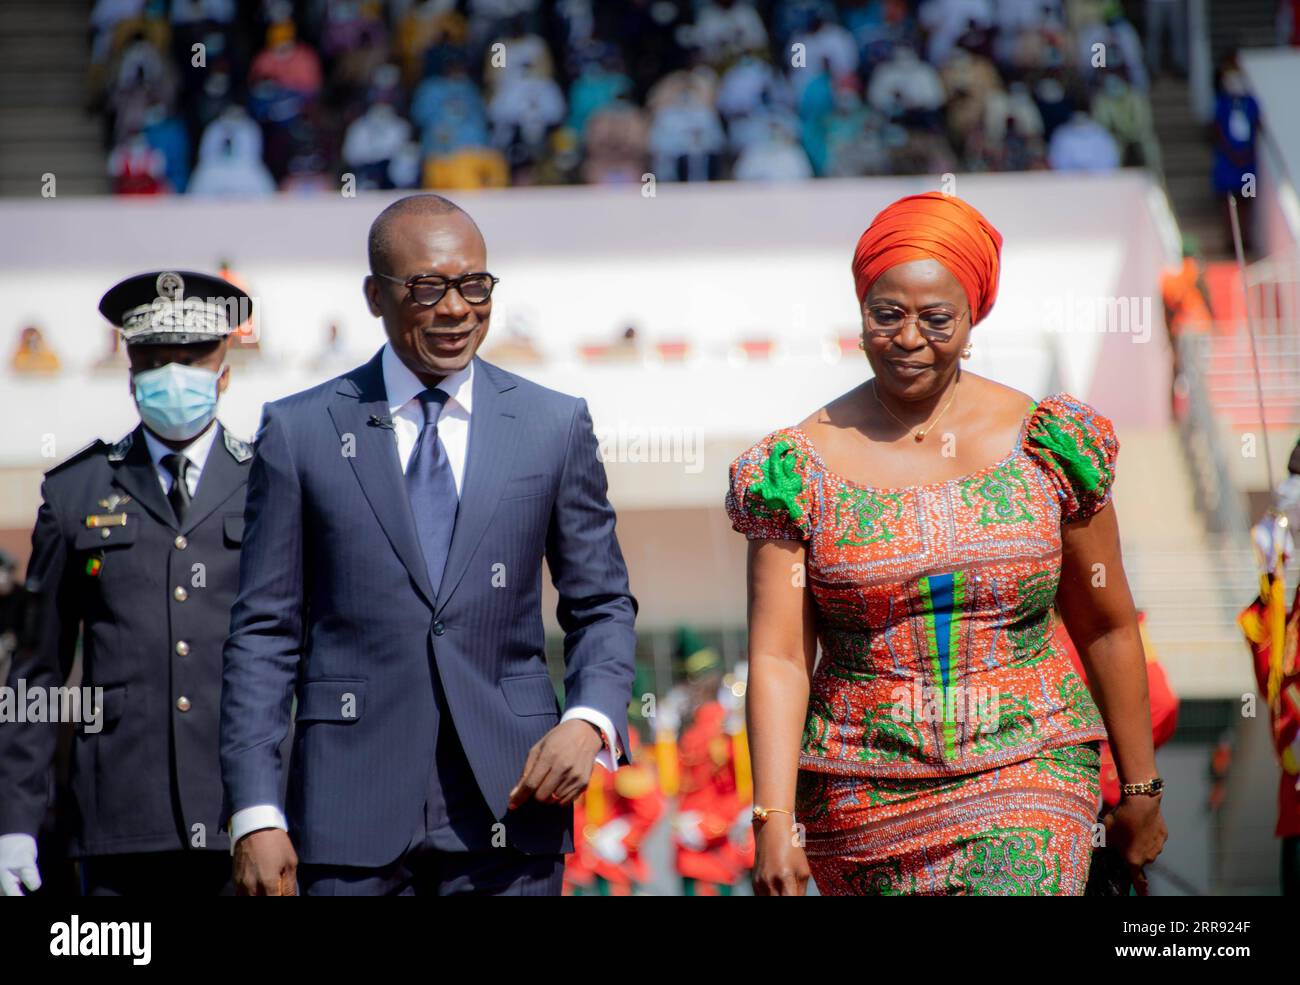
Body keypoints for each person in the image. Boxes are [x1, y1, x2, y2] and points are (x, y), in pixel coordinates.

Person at [726, 191, 1168, 895]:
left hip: (1029, 768)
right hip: (860, 793)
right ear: (861, 309)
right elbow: (779, 656)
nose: (908, 339)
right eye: (886, 314)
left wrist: (1141, 782)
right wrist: (772, 817)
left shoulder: (1049, 444)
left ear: (973, 317)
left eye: (936, 319)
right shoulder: (797, 469)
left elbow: (1107, 623)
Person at [220, 193, 638, 896]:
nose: (456, 309)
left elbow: (601, 604)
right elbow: (264, 633)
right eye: (428, 288)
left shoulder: (553, 425)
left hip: (513, 806)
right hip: (347, 817)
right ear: (374, 296)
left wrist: (589, 719)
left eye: (475, 285)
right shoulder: (300, 433)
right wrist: (255, 811)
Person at [0, 270, 258, 896]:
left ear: (224, 367)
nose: (174, 374)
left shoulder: (272, 484)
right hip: (119, 822)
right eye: (154, 358)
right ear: (130, 370)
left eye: (192, 357)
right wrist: (15, 818)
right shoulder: (75, 492)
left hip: (246, 817)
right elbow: (38, 672)